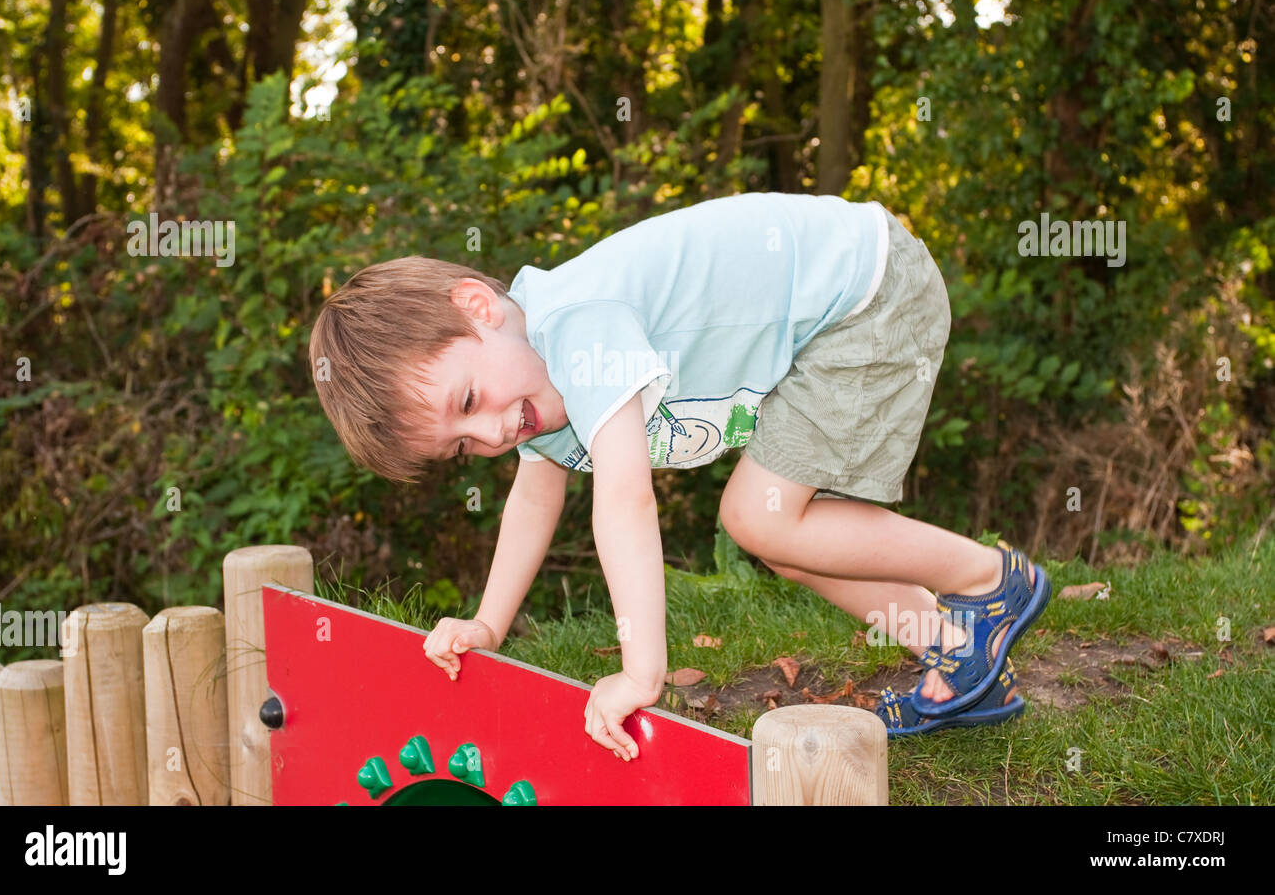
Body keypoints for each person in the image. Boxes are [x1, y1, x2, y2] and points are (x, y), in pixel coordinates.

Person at [308, 192, 1051, 759]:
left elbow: (626, 501)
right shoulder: (536, 393)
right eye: (463, 447)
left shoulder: (576, 324)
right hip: (834, 313)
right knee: (781, 534)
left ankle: (992, 580)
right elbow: (533, 499)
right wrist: (487, 624)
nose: (493, 433)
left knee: (759, 517)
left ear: (478, 309)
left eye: (468, 403)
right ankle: (959, 654)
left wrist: (641, 671)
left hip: (865, 292)